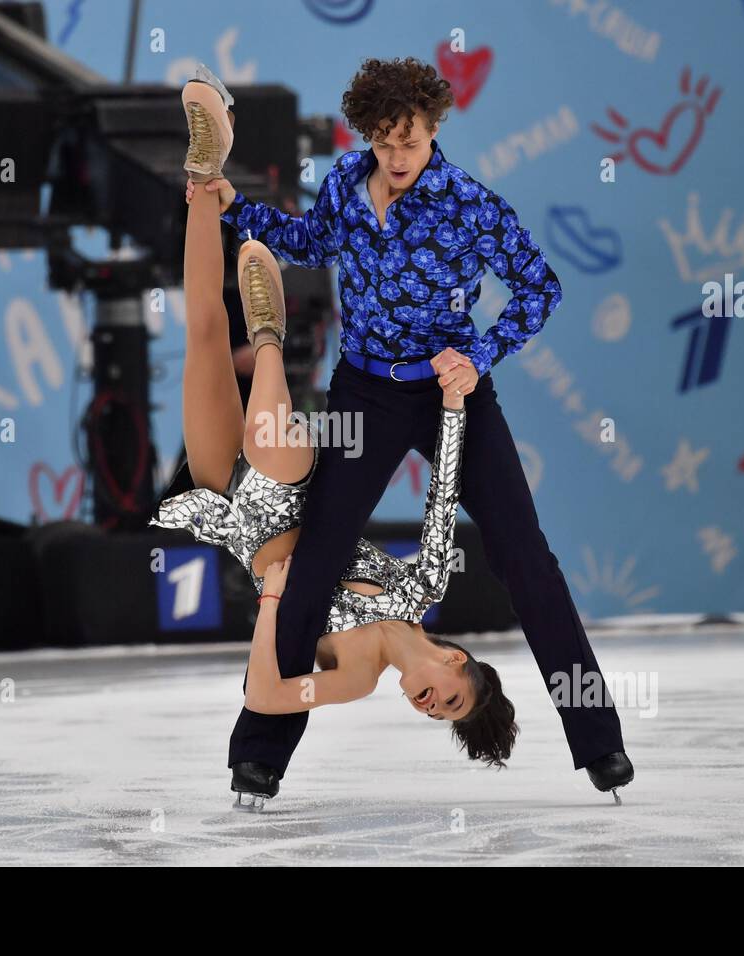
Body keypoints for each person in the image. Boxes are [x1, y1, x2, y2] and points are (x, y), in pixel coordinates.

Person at [193, 56, 635, 806]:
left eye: (410, 141)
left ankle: (600, 742)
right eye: (383, 141)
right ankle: (259, 754)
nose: (396, 157)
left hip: (450, 393)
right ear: (367, 135)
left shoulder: (467, 202)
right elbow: (308, 242)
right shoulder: (343, 181)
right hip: (366, 393)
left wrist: (481, 353)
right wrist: (234, 203)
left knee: (524, 557)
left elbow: (539, 286)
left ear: (435, 130)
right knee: (316, 556)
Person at [151, 65, 517, 809]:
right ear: (456, 659)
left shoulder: (353, 682)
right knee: (279, 447)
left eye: (436, 716)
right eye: (448, 700)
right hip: (289, 485)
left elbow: (265, 690)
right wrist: (454, 407)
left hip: (239, 520)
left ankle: (205, 168)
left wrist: (270, 608)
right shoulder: (423, 588)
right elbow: (444, 498)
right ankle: (273, 337)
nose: (428, 707)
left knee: (200, 334)